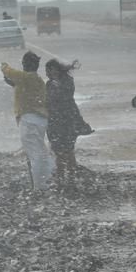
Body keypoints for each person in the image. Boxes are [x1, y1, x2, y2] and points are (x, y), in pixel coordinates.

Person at [1, 52, 53, 190]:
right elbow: (25, 90)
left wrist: (3, 64)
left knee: (35, 155)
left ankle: (40, 187)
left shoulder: (27, 77)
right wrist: (14, 84)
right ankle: (46, 181)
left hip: (30, 120)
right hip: (38, 120)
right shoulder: (35, 79)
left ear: (25, 64)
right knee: (39, 152)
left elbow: (9, 72)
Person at [44, 58, 84, 187]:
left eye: (48, 70)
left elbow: (64, 98)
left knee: (66, 151)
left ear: (54, 70)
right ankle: (64, 178)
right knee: (60, 151)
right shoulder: (50, 84)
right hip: (56, 122)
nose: (46, 73)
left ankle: (67, 178)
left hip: (66, 121)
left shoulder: (66, 81)